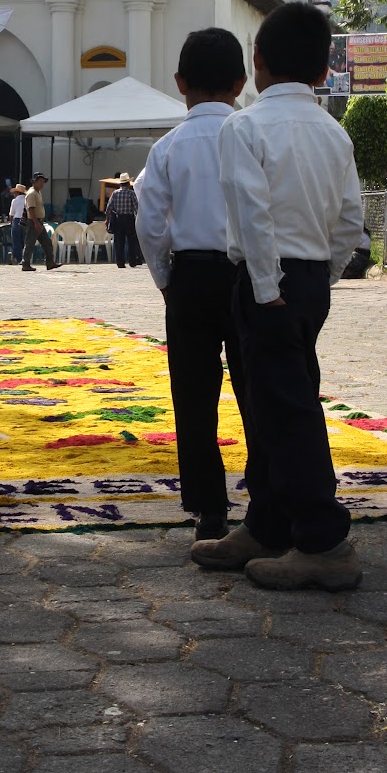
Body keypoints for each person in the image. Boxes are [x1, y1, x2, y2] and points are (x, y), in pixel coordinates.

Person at [195, 2, 363, 590]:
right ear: (323, 71)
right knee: (276, 404)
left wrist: (267, 289)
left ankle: (323, 540)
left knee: (288, 413)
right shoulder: (334, 132)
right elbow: (350, 221)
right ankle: (266, 524)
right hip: (312, 278)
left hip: (268, 282)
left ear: (258, 62)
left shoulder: (244, 127)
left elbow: (253, 214)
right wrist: (326, 276)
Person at [136, 28, 249, 543]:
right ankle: (268, 492)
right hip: (248, 274)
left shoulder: (167, 147)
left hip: (191, 276)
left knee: (194, 395)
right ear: (240, 82)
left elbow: (149, 221)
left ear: (180, 83)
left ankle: (209, 507)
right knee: (257, 389)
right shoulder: (253, 135)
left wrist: (164, 278)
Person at [20, 172, 56, 272]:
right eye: (40, 181)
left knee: (47, 242)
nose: (42, 184)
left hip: (39, 221)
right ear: (34, 182)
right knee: (30, 243)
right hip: (33, 221)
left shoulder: (38, 192)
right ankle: (25, 264)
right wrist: (36, 223)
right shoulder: (31, 193)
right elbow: (30, 209)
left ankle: (50, 262)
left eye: (43, 182)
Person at [105, 173, 142, 267]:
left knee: (119, 242)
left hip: (118, 219)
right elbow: (136, 208)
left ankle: (120, 263)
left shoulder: (115, 193)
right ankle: (132, 261)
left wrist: (107, 220)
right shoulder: (131, 193)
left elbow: (109, 208)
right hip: (129, 219)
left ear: (121, 183)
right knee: (131, 241)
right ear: (128, 183)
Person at [8, 183, 28, 263]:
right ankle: (25, 258)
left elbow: (11, 214)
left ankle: (18, 258)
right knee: (24, 240)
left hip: (17, 220)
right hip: (25, 220)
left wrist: (11, 222)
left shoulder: (15, 201)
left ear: (17, 193)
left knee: (16, 241)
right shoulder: (27, 200)